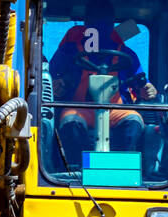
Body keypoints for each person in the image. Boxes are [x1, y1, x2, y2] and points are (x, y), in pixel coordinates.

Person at [49, 0, 157, 158]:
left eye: (105, 20)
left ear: (112, 23)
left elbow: (142, 84)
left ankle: (123, 168)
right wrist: (56, 85)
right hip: (79, 108)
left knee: (134, 120)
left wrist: (148, 90)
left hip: (117, 111)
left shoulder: (127, 55)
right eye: (95, 20)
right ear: (87, 23)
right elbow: (50, 77)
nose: (100, 26)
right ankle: (77, 169)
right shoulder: (68, 51)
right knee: (70, 120)